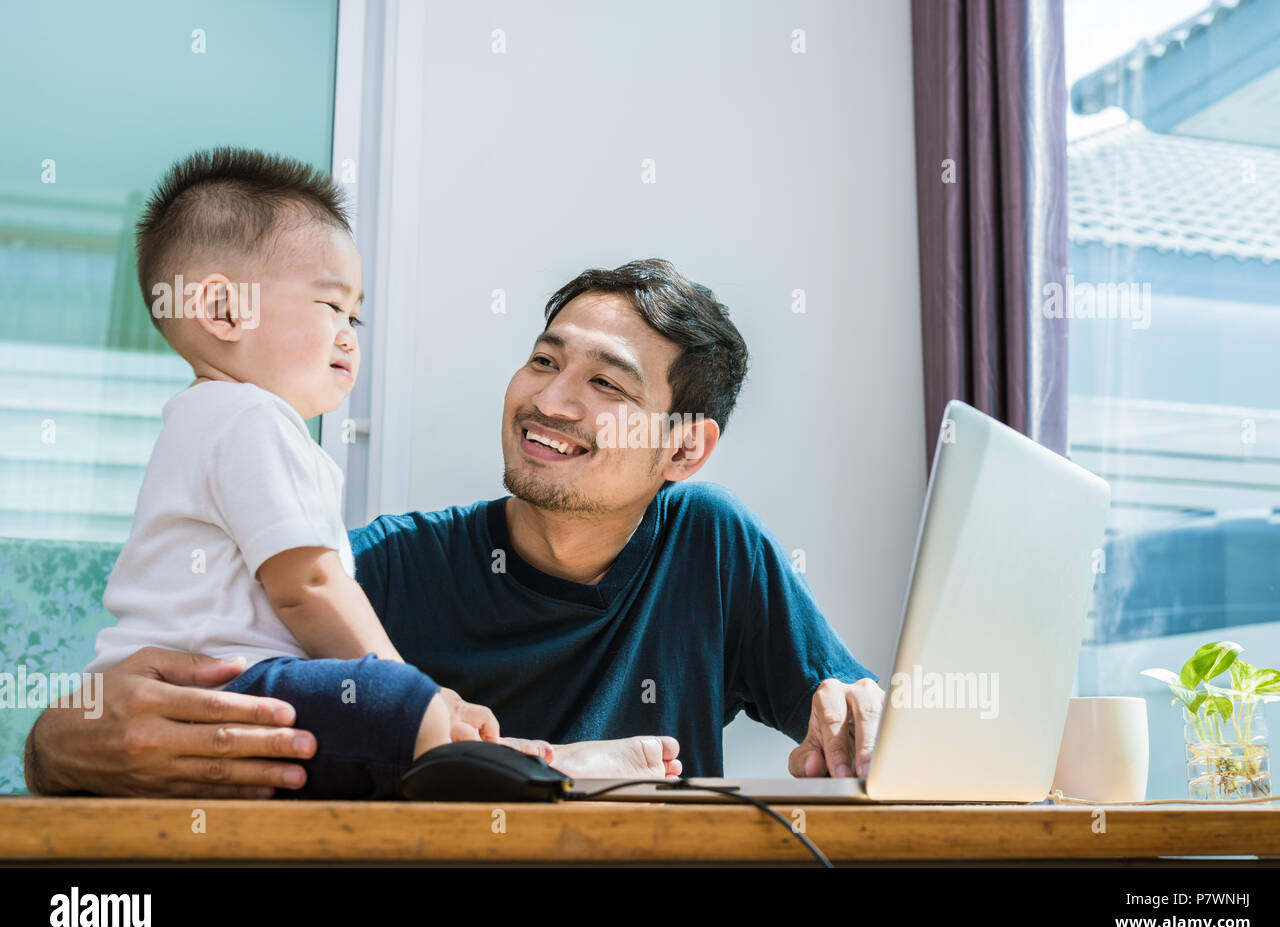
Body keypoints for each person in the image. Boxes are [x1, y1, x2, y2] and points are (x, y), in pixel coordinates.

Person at [25, 253, 884, 798]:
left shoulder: (711, 546)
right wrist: (58, 742)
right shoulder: (389, 566)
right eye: (544, 360)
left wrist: (866, 723)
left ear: (684, 449)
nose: (550, 399)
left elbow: (855, 719)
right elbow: (190, 679)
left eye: (607, 385)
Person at [74, 146, 675, 799]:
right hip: (217, 694)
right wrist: (417, 692)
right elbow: (306, 582)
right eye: (332, 306)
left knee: (386, 735)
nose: (349, 335)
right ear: (223, 310)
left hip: (219, 702)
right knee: (388, 700)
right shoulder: (247, 419)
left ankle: (524, 760)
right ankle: (547, 768)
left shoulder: (214, 421)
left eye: (354, 316)